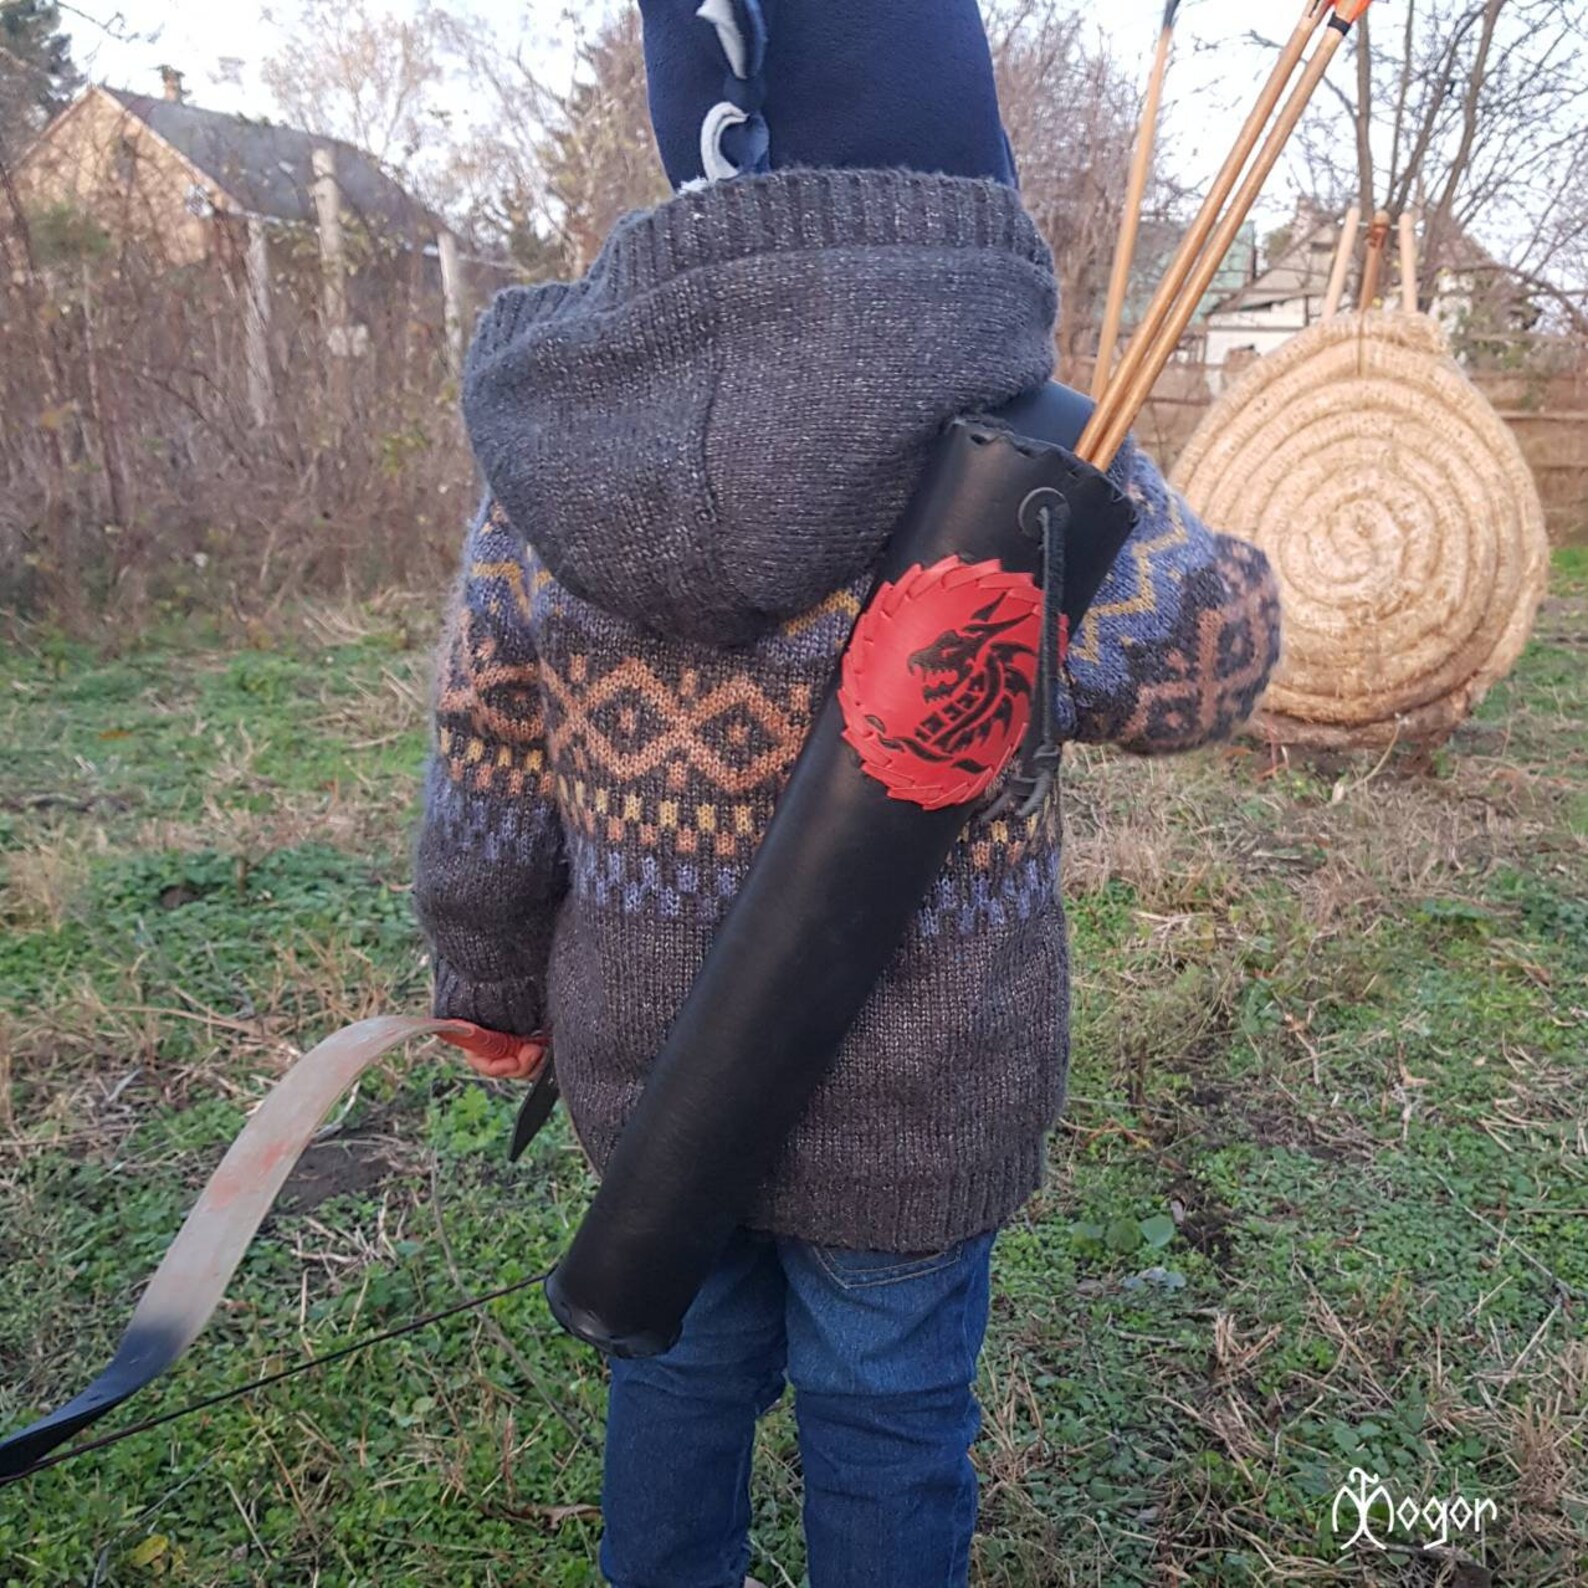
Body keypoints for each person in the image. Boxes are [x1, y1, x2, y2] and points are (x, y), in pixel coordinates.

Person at [413, 3, 1281, 1584]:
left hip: (650, 1071)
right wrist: (1196, 549)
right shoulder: (1038, 454)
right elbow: (1205, 670)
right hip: (926, 1091)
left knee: (669, 1369)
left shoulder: (555, 446)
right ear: (962, 163)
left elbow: (488, 743)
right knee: (887, 1422)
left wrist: (483, 967)